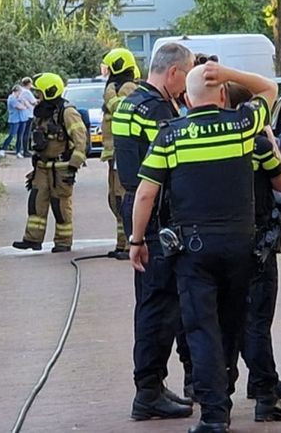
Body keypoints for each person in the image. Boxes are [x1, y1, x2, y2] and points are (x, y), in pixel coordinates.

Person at [130, 61, 278, 433]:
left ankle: (214, 415)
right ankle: (225, 392)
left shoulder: (171, 136)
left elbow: (146, 193)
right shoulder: (243, 126)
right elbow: (268, 89)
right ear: (223, 93)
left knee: (201, 329)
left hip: (194, 249)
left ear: (186, 98)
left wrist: (136, 240)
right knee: (231, 325)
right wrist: (229, 72)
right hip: (239, 247)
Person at [113, 42, 196, 421]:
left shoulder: (129, 103)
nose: (185, 86)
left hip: (135, 202)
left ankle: (153, 385)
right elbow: (173, 161)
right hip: (156, 209)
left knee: (150, 300)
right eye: (187, 75)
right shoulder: (159, 110)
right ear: (174, 72)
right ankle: (148, 389)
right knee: (159, 304)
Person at [226, 83, 281, 422]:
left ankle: (236, 383)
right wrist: (270, 139)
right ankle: (265, 389)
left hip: (220, 240)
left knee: (229, 317)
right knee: (258, 317)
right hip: (257, 240)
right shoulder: (256, 144)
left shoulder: (207, 138)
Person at [12, 73, 88, 253]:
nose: (37, 98)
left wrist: (73, 167)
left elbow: (81, 140)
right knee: (36, 201)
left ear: (50, 92)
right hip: (42, 167)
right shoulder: (43, 113)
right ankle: (32, 239)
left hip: (62, 168)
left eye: (40, 94)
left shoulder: (67, 112)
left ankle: (63, 242)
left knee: (60, 206)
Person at [101, 47, 142, 260]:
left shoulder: (128, 87)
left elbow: (119, 109)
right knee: (115, 198)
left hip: (122, 152)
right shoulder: (118, 86)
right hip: (114, 153)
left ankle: (128, 244)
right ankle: (121, 243)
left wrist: (109, 93)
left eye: (109, 68)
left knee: (124, 197)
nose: (106, 73)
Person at [0, 84, 28, 155]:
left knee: (20, 136)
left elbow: (25, 105)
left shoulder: (19, 98)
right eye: (20, 92)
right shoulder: (11, 98)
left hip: (22, 118)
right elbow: (19, 107)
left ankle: (18, 151)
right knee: (12, 135)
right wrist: (24, 106)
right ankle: (3, 149)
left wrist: (23, 104)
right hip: (14, 119)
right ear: (17, 91)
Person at [17, 77, 38, 158]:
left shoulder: (20, 91)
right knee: (27, 133)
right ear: (29, 84)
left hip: (22, 114)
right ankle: (26, 151)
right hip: (28, 114)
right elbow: (34, 102)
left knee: (22, 133)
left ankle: (22, 149)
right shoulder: (27, 92)